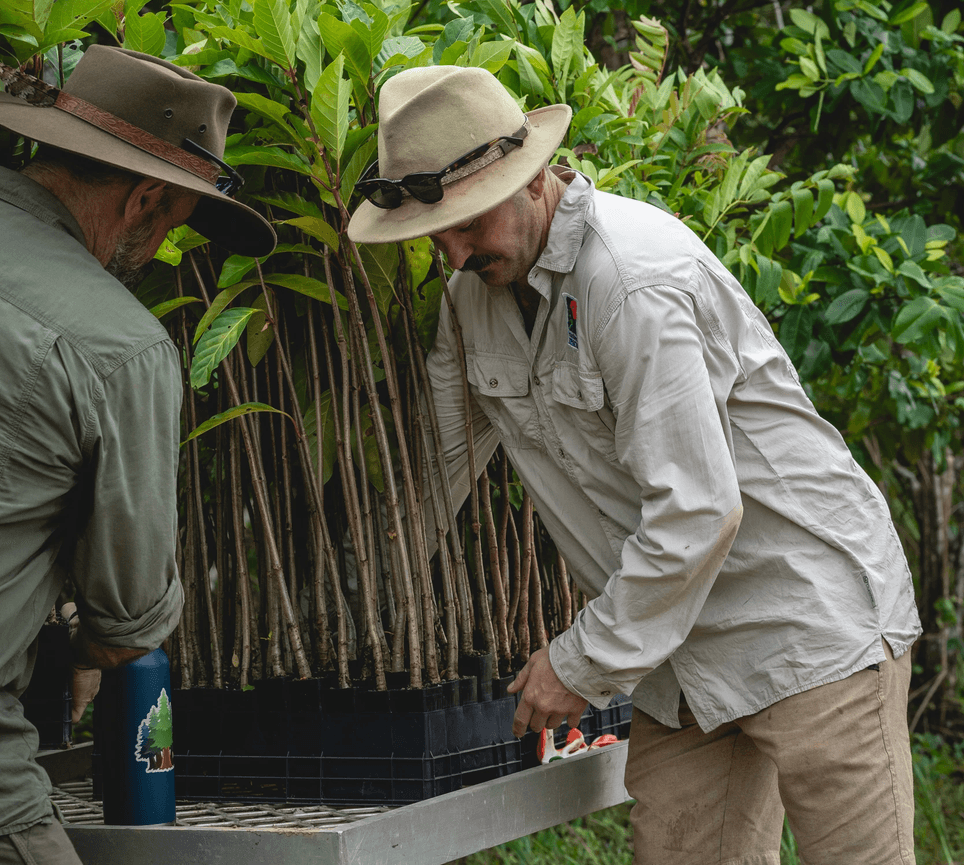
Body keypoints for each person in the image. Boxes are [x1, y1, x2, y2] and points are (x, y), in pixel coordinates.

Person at [347, 65, 922, 865]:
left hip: (806, 620)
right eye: (432, 233)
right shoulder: (469, 298)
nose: (453, 252)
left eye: (467, 222)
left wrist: (577, 664)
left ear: (532, 178)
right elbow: (445, 460)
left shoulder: (632, 281)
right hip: (675, 658)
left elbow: (697, 510)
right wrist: (359, 591)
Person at [0, 45, 276, 864]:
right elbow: (127, 624)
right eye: (172, 226)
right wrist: (90, 653)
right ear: (145, 199)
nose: (157, 256)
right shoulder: (119, 347)